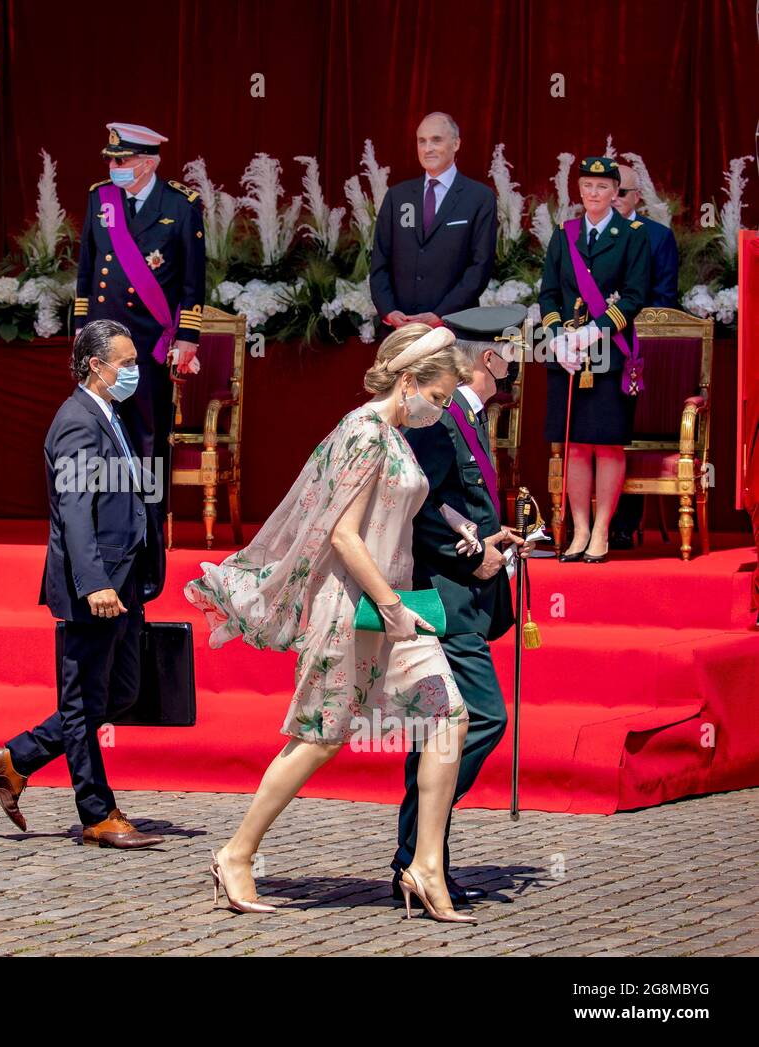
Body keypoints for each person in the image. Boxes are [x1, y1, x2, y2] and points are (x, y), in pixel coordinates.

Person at [185, 323, 476, 923]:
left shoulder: (393, 436)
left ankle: (424, 865)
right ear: (407, 381)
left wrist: (453, 523)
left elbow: (396, 504)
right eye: (439, 398)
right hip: (354, 610)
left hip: (393, 606)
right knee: (320, 737)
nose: (441, 411)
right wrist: (392, 609)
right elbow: (343, 534)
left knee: (448, 715)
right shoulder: (364, 433)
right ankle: (236, 854)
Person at [0, 320, 166, 850]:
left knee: (124, 691)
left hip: (125, 578)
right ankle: (96, 812)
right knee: (83, 701)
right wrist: (93, 583)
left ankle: (17, 758)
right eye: (126, 363)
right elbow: (74, 510)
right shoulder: (77, 422)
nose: (134, 372)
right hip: (98, 585)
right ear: (96, 366)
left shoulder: (110, 413)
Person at [390, 305, 530, 907]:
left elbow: (456, 505)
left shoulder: (464, 417)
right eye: (512, 349)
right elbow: (418, 510)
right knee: (481, 717)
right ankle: (420, 852)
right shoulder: (440, 423)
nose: (521, 361)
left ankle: (419, 862)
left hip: (459, 598)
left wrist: (491, 536)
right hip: (443, 601)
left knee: (434, 731)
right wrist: (473, 557)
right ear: (487, 358)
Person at [75, 122, 206, 592]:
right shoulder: (99, 200)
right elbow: (87, 271)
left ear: (148, 163)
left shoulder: (181, 205)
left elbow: (193, 282)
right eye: (110, 161)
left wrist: (186, 339)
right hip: (102, 350)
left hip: (148, 351)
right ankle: (102, 546)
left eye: (121, 161)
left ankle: (146, 558)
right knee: (98, 444)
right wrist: (81, 335)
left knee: (147, 449)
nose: (113, 169)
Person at [540, 156, 651, 564]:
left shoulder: (631, 236)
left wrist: (594, 330)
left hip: (609, 350)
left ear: (615, 193)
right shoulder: (564, 233)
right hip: (567, 353)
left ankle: (602, 528)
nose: (593, 194)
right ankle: (579, 528)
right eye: (587, 186)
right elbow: (548, 293)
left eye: (602, 187)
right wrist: (557, 337)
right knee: (574, 446)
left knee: (605, 445)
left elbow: (636, 296)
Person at [370, 112, 497, 330]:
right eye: (422, 141)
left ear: (456, 144)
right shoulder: (397, 196)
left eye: (436, 140)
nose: (428, 148)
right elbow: (380, 261)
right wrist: (389, 311)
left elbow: (480, 267)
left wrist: (441, 314)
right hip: (400, 331)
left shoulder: (479, 198)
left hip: (453, 329)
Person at [609, 161, 680, 548]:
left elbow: (665, 300)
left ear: (637, 197)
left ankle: (624, 522)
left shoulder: (657, 237)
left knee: (630, 432)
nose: (615, 198)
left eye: (622, 192)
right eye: (609, 189)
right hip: (595, 350)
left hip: (637, 351)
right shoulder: (583, 237)